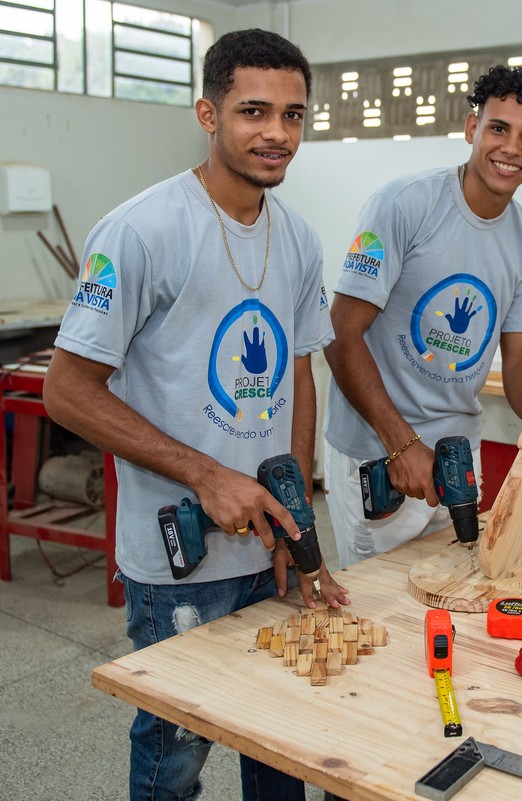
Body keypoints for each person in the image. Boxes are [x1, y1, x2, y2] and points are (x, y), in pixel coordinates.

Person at [43, 28, 348, 801]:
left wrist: (296, 519)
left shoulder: (300, 239)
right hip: (178, 560)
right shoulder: (141, 230)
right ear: (208, 115)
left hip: (268, 548)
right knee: (176, 753)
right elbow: (68, 391)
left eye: (292, 114)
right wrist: (207, 474)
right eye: (253, 111)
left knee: (281, 740)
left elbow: (299, 375)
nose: (276, 133)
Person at [323, 65, 522, 567]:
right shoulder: (405, 205)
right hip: (379, 453)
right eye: (498, 128)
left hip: (458, 453)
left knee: (454, 592)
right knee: (381, 610)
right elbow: (340, 333)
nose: (511, 148)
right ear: (471, 129)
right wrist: (400, 445)